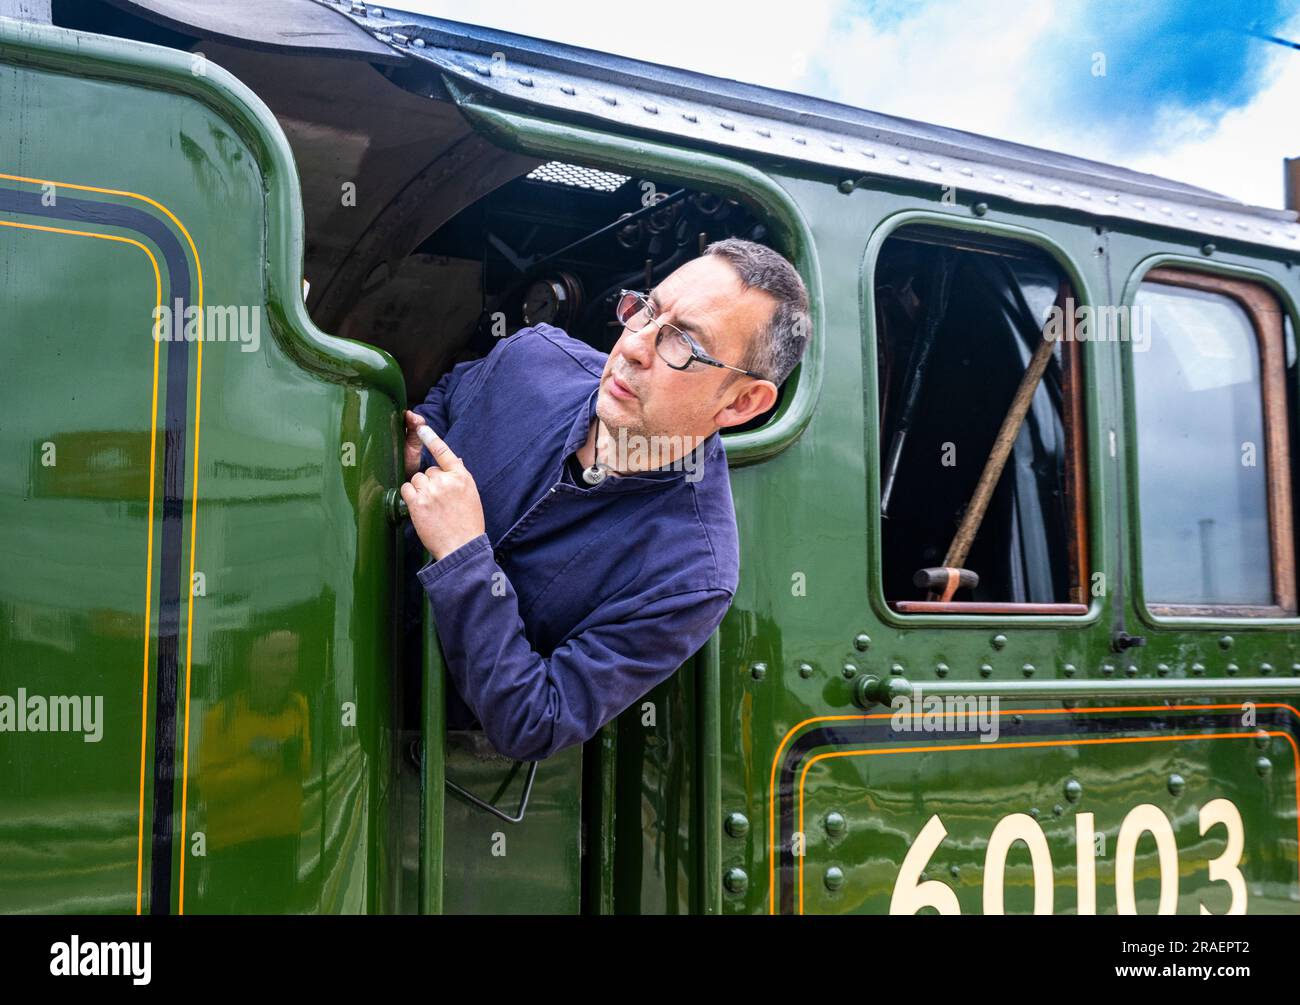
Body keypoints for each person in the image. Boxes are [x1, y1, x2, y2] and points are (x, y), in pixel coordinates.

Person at [401, 238, 810, 761]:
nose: (635, 346)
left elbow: (535, 721)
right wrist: (413, 453)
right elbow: (448, 395)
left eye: (682, 343)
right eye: (647, 310)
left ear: (743, 401)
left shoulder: (689, 578)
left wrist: (464, 556)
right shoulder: (532, 356)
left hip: (402, 759)